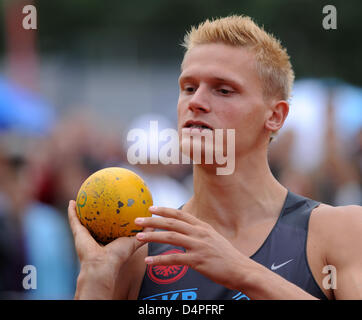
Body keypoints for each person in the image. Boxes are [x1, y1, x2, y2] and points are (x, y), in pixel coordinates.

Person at [68, 15, 362, 300]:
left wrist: (244, 273)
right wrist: (95, 276)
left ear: (274, 116)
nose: (196, 102)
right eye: (189, 88)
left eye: (223, 90)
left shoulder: (338, 230)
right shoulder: (141, 252)